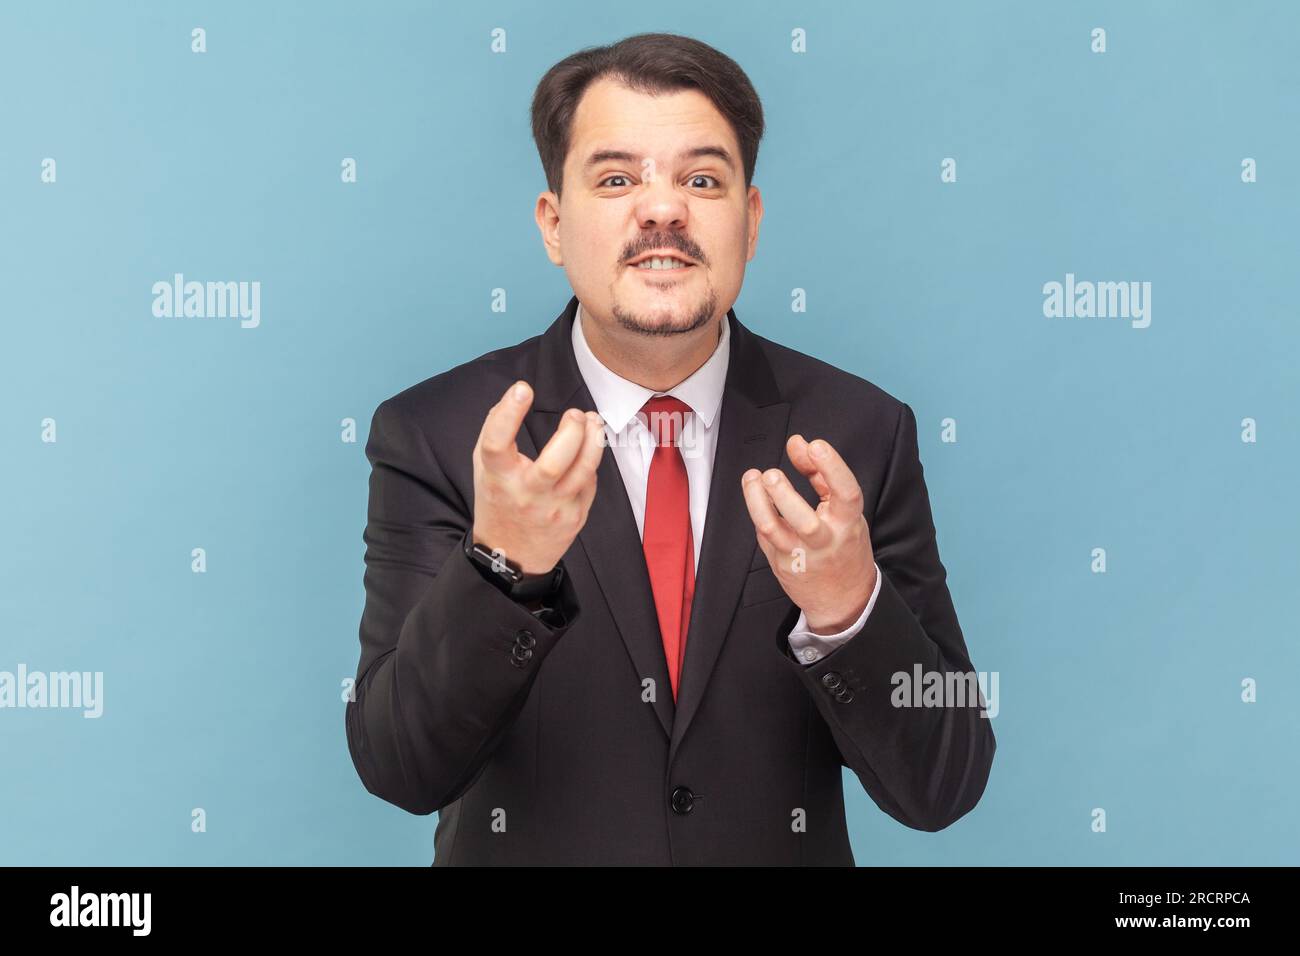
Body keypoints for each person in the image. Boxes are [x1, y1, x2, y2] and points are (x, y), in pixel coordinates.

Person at [345, 32, 995, 865]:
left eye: (701, 179)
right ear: (553, 223)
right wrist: (501, 566)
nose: (662, 210)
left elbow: (944, 784)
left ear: (750, 222)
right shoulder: (441, 435)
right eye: (616, 179)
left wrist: (848, 610)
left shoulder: (860, 432)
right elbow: (401, 765)